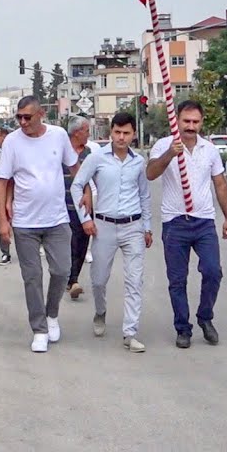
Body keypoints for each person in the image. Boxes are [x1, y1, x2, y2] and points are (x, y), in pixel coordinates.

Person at [146, 100, 227, 349]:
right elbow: (151, 173)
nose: (191, 126)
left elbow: (219, 184)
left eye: (195, 122)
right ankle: (182, 328)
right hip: (175, 222)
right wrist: (169, 154)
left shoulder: (209, 150)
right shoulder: (164, 145)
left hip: (204, 221)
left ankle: (205, 318)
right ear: (177, 120)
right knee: (177, 279)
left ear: (201, 122)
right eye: (186, 121)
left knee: (212, 271)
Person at [0, 97, 81, 353]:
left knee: (62, 270)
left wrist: (86, 189)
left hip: (57, 219)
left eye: (27, 117)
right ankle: (40, 329)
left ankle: (51, 313)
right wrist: (2, 221)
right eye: (18, 117)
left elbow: (74, 166)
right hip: (24, 223)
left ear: (41, 114)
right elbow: (2, 181)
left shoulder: (58, 135)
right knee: (32, 277)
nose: (22, 122)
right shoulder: (12, 141)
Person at [71, 111, 151, 352]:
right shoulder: (97, 158)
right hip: (103, 226)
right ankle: (100, 312)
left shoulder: (138, 161)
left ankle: (130, 332)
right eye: (117, 132)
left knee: (134, 281)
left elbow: (144, 195)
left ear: (133, 135)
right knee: (98, 279)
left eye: (126, 133)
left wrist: (147, 227)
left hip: (133, 227)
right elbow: (77, 185)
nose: (121, 137)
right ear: (110, 133)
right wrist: (85, 218)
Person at [62, 116, 100, 301]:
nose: (89, 134)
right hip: (63, 207)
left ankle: (72, 278)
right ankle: (72, 279)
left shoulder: (90, 154)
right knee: (70, 243)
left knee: (82, 243)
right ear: (77, 132)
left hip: (84, 207)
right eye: (86, 131)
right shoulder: (62, 152)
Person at [0, 125, 13, 265]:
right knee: (3, 220)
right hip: (4, 191)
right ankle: (5, 252)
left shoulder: (14, 150)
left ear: (4, 136)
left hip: (18, 190)